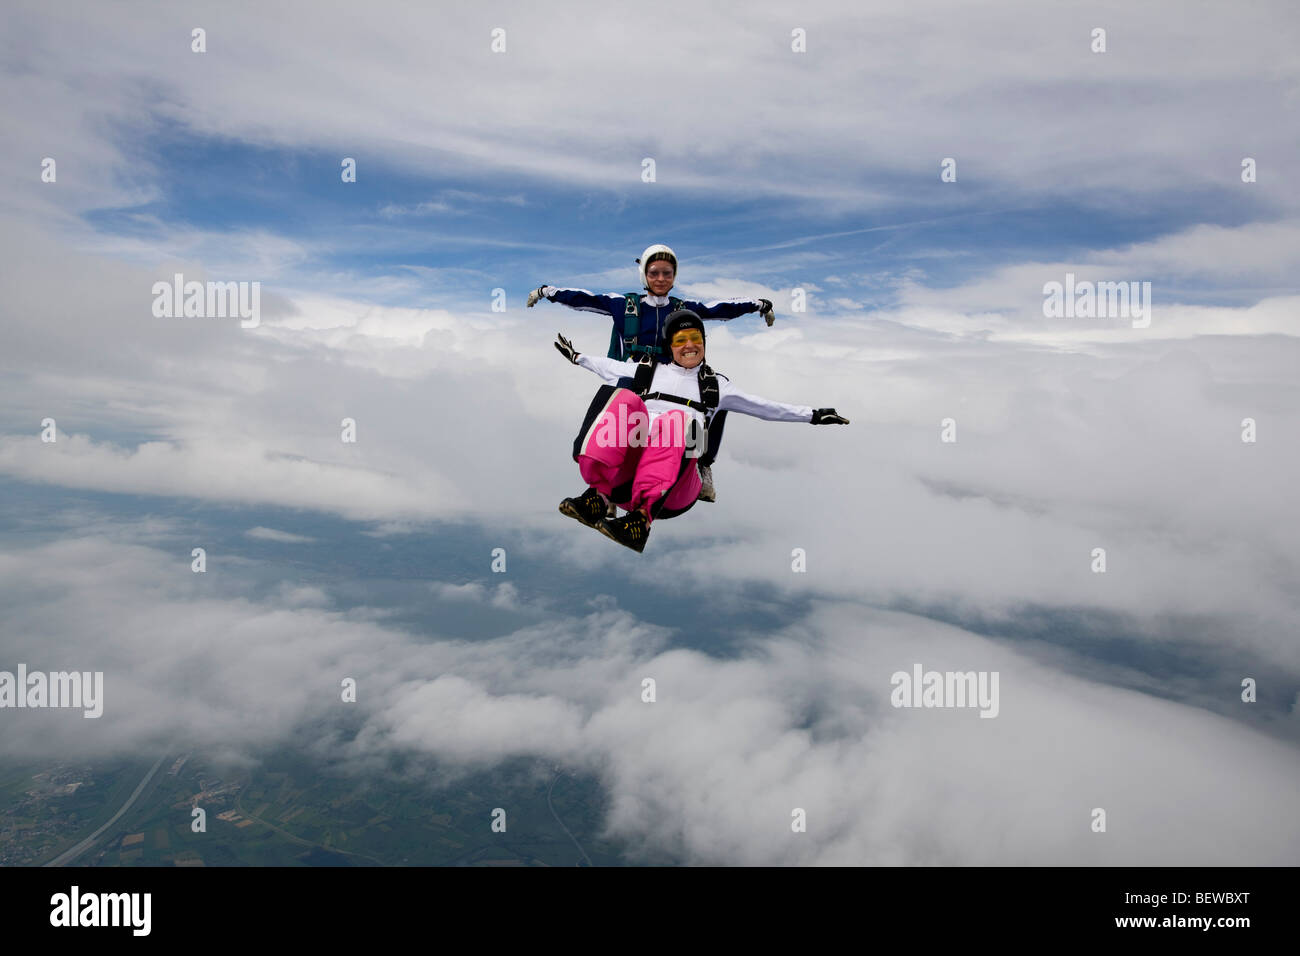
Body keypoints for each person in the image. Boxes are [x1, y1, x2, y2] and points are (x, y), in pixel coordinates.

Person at [555, 310, 848, 553]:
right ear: (670, 345)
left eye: (695, 338)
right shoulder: (648, 370)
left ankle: (640, 523)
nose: (689, 345)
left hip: (674, 489)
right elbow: (608, 367)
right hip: (628, 478)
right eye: (680, 339)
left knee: (678, 421)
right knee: (622, 398)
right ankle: (599, 496)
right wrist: (578, 357)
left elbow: (765, 407)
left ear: (704, 343)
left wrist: (813, 415)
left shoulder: (717, 385)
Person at [527, 243, 774, 505]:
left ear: (674, 276)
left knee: (717, 398)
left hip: (671, 377)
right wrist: (548, 292)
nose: (660, 279)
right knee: (613, 400)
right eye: (654, 272)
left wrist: (758, 305)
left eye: (667, 273)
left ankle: (703, 464)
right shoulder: (624, 305)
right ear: (644, 274)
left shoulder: (683, 307)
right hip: (633, 374)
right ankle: (602, 485)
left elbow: (720, 309)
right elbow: (585, 299)